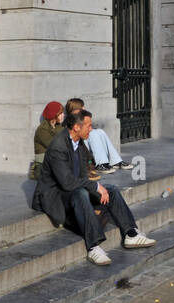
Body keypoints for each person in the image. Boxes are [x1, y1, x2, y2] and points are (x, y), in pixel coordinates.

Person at [32, 109, 154, 265]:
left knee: (112, 190)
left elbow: (83, 175)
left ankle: (131, 233)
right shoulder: (58, 146)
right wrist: (94, 186)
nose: (91, 129)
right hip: (55, 195)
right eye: (88, 126)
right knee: (82, 193)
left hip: (74, 189)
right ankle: (93, 247)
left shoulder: (80, 143)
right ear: (76, 127)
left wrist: (96, 189)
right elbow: (66, 183)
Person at [31, 101, 99, 181]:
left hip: (57, 159)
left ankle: (87, 166)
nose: (63, 115)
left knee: (78, 141)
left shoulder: (58, 127)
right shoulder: (42, 130)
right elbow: (54, 146)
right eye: (60, 113)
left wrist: (89, 159)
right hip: (44, 165)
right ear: (54, 115)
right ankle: (81, 172)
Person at [64, 98, 131, 173]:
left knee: (100, 131)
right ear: (75, 109)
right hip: (78, 145)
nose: (84, 108)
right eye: (82, 107)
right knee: (92, 134)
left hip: (83, 142)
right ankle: (100, 164)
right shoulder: (70, 120)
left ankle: (115, 161)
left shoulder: (81, 119)